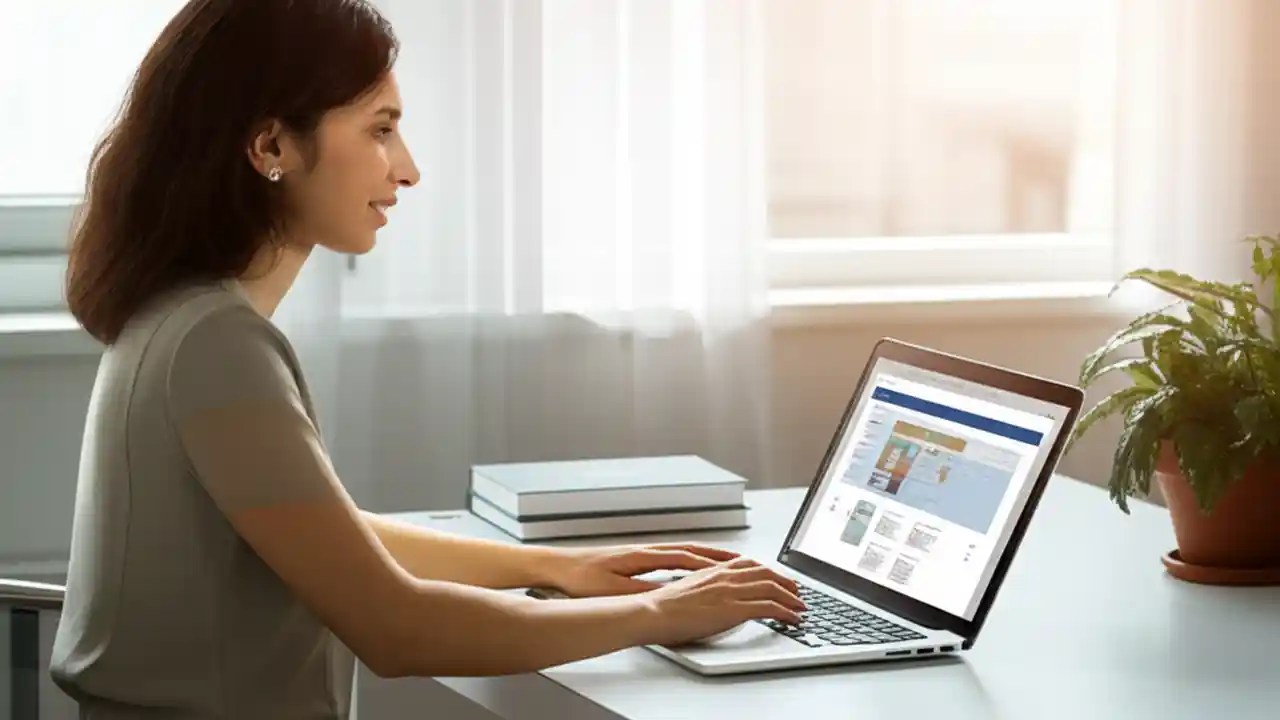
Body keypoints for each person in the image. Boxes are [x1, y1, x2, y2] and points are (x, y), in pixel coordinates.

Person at [49, 1, 804, 716]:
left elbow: (325, 536)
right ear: (272, 145)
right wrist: (654, 613)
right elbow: (396, 629)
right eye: (380, 130)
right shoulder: (217, 345)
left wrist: (554, 569)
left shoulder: (178, 318)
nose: (406, 170)